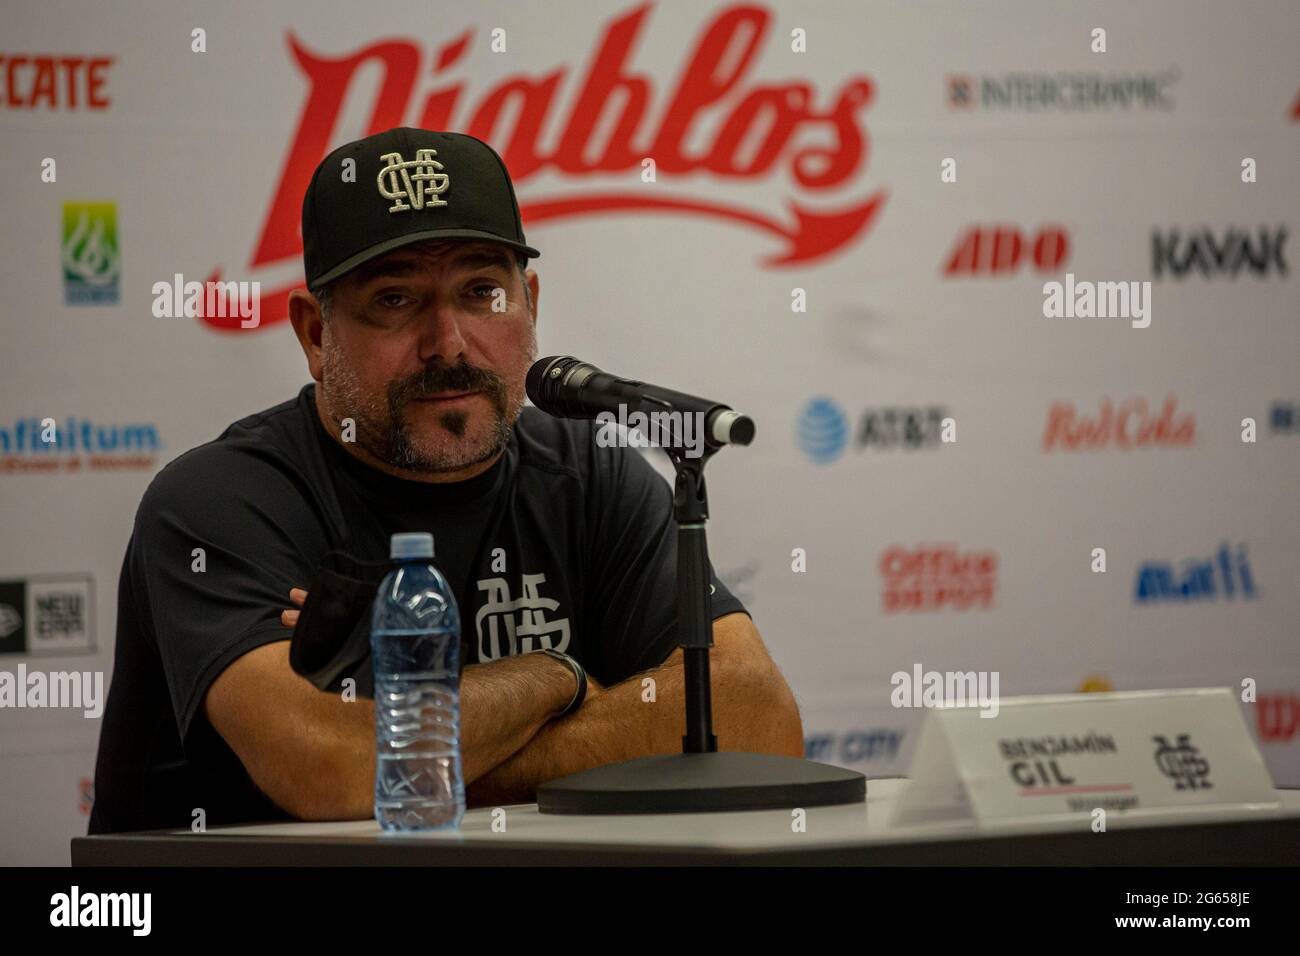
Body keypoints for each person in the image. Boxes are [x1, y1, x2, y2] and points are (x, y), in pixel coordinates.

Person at [89, 128, 803, 834]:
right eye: (395, 300)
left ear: (530, 302)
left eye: (481, 292)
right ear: (315, 334)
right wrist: (558, 676)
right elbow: (331, 766)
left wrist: (423, 762)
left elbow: (755, 716)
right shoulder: (221, 501)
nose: (449, 344)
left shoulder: (589, 476)